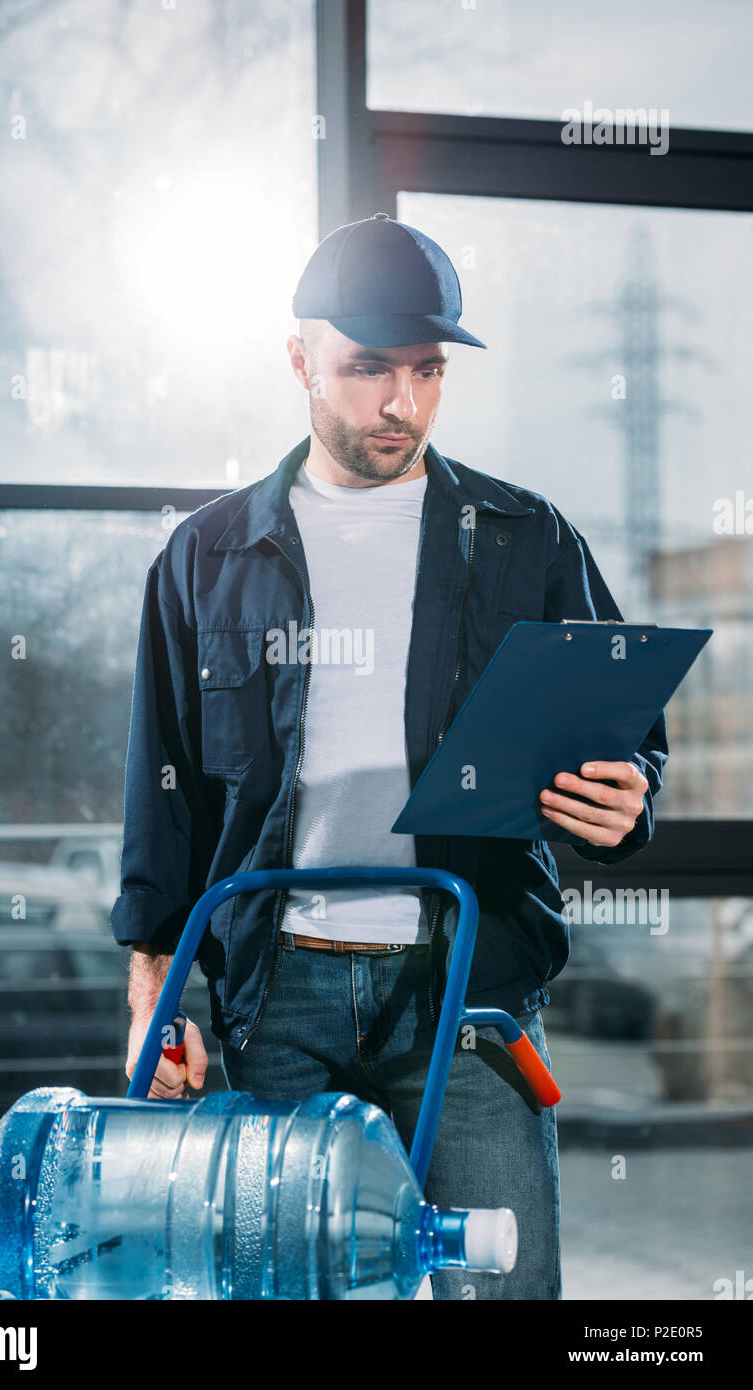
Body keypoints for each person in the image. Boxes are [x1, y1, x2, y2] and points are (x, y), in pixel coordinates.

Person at [111, 213, 667, 1300]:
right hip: (278, 994)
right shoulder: (206, 558)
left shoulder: (528, 539)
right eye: (367, 370)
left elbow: (625, 742)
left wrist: (628, 800)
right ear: (299, 360)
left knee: (507, 1290)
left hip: (468, 991)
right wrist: (154, 986)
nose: (400, 403)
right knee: (282, 1289)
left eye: (425, 369)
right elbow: (163, 791)